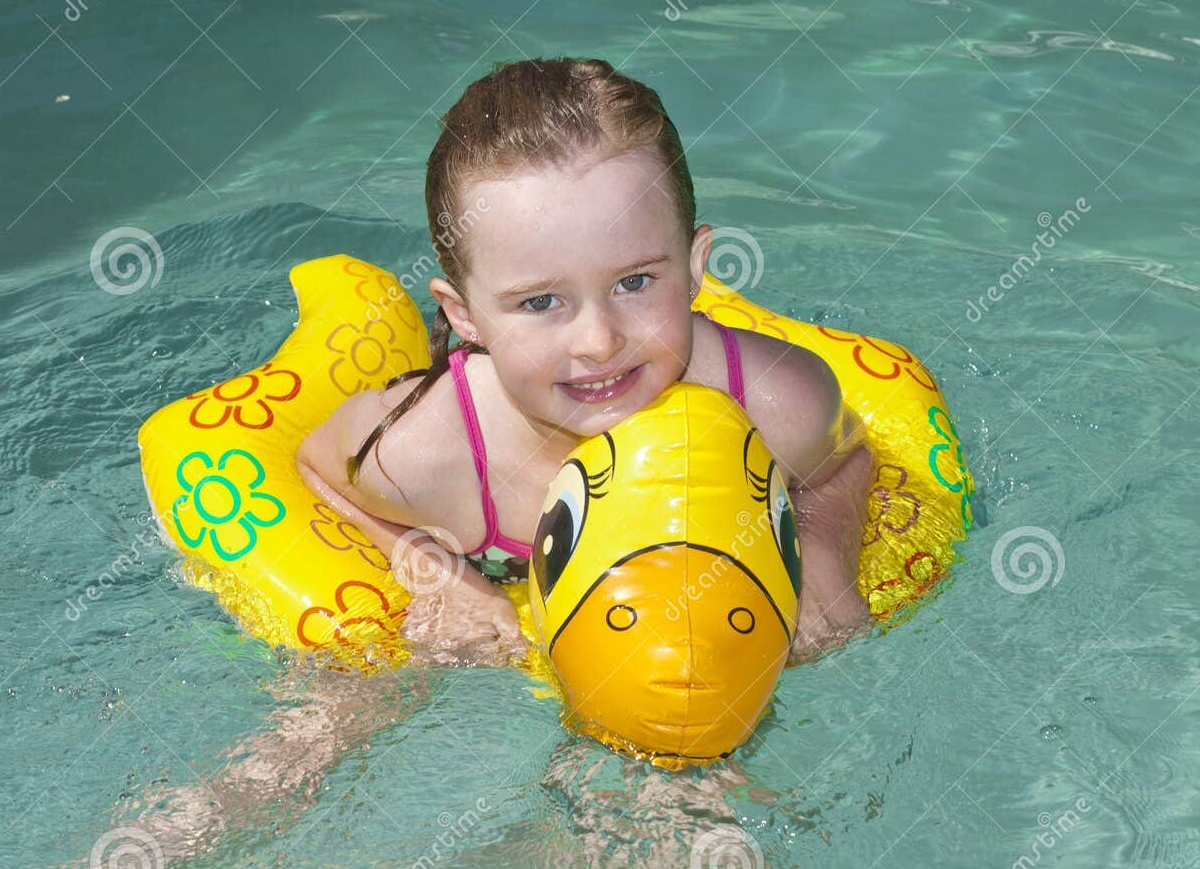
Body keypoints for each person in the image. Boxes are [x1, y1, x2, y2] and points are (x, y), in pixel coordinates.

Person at [298, 56, 876, 668]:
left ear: (695, 265)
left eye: (634, 281)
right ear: (465, 315)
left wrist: (823, 550)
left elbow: (847, 459)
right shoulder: (428, 456)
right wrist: (431, 567)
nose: (598, 342)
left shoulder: (775, 402)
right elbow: (318, 469)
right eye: (541, 301)